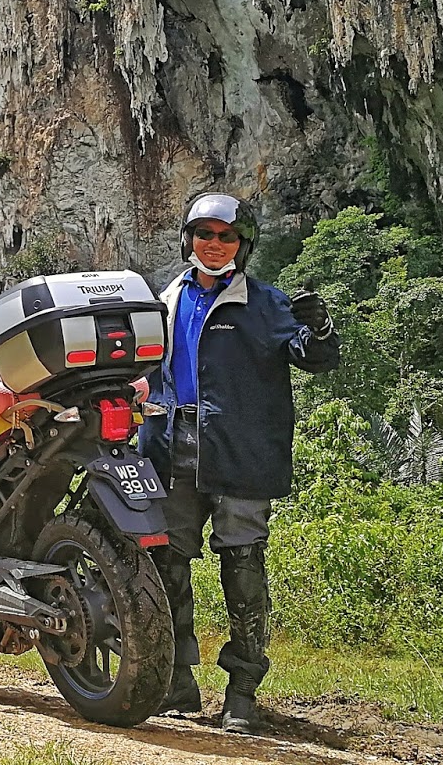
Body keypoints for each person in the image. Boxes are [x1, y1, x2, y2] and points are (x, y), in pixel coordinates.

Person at [137, 192, 339, 733]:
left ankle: (242, 692)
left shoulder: (266, 303)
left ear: (243, 246)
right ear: (188, 239)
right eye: (205, 234)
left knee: (243, 565)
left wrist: (320, 328)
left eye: (227, 236)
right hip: (172, 449)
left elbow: (315, 358)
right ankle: (177, 680)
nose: (215, 244)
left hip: (241, 453)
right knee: (166, 562)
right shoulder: (165, 299)